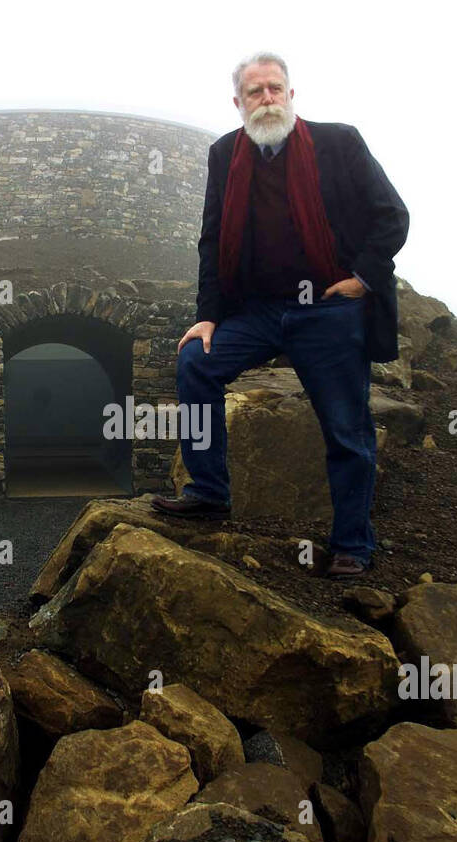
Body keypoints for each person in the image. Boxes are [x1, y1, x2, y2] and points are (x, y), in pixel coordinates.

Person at [151, 51, 410, 579]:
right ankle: (209, 492)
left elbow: (392, 216)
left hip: (328, 310)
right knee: (196, 364)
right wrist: (208, 315)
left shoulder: (339, 142)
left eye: (275, 88)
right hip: (259, 311)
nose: (266, 99)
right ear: (238, 102)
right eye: (255, 92)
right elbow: (211, 239)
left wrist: (362, 278)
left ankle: (351, 545)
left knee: (346, 427)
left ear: (291, 94)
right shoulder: (225, 154)